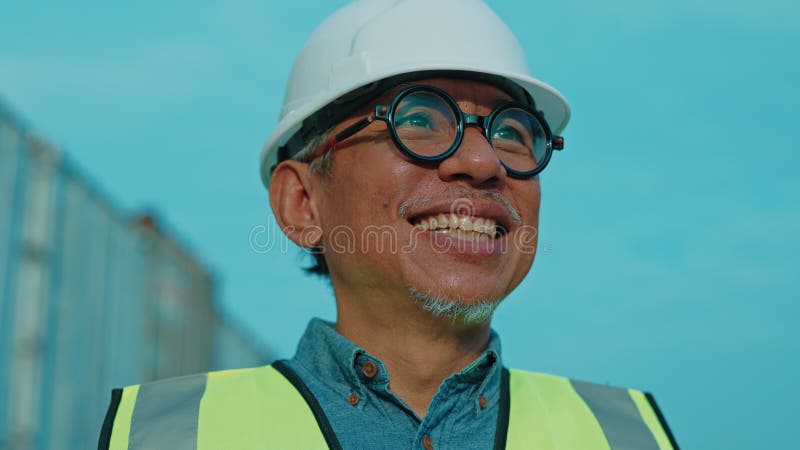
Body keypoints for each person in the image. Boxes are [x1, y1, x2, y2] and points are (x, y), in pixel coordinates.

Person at [99, 0, 679, 449]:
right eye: (419, 118)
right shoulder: (173, 435)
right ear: (303, 204)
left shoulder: (623, 435)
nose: (483, 162)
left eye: (511, 131)